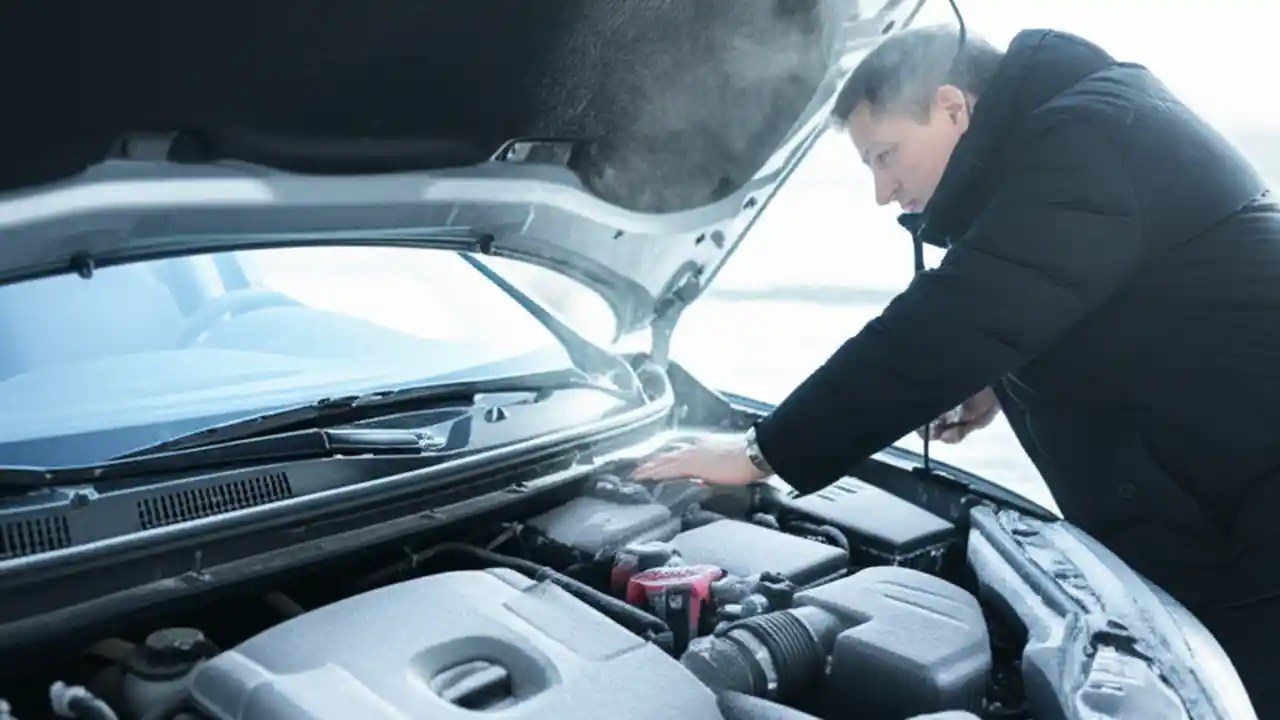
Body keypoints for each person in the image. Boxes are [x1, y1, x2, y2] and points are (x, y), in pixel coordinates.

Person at [633, 26, 1280, 715]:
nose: (883, 192)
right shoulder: (1070, 135)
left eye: (885, 156)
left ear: (951, 108)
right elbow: (1087, 296)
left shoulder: (1089, 141)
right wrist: (997, 378)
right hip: (1224, 497)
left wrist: (762, 452)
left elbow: (948, 323)